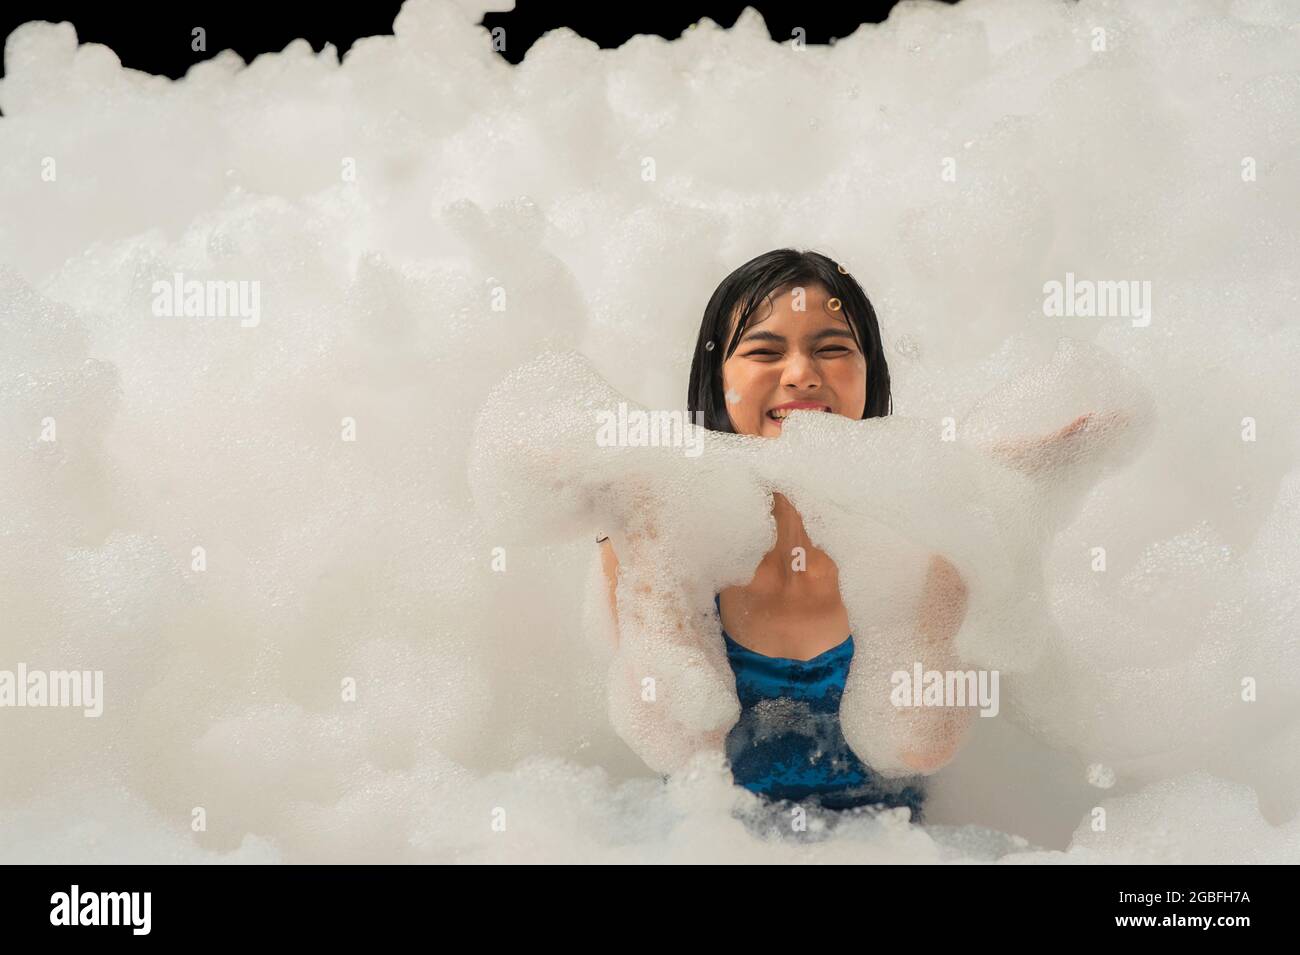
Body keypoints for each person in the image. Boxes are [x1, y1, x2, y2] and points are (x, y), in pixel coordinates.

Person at [598, 248, 975, 824]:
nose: (801, 374)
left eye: (831, 348)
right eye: (764, 351)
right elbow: (674, 741)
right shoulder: (653, 538)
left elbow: (925, 744)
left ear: (869, 370)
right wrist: (646, 549)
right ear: (717, 377)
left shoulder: (929, 533)